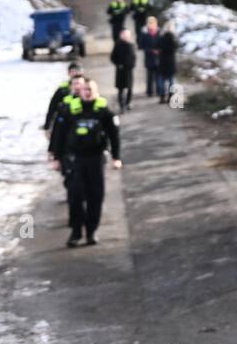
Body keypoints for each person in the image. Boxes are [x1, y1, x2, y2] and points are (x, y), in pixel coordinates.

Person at [49, 77, 121, 247]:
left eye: (91, 90)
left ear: (96, 92)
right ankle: (76, 232)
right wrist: (56, 157)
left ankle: (91, 231)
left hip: (96, 159)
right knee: (75, 196)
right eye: (85, 89)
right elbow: (59, 135)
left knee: (95, 196)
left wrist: (116, 157)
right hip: (75, 160)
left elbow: (114, 135)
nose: (87, 93)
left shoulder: (103, 111)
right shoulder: (69, 110)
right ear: (79, 91)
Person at [110, 29, 136, 112]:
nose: (126, 37)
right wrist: (118, 64)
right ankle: (121, 105)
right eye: (124, 35)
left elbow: (134, 57)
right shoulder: (117, 45)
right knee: (121, 89)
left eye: (127, 35)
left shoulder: (131, 45)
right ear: (121, 36)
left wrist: (132, 65)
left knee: (130, 88)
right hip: (120, 71)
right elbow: (112, 57)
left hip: (129, 70)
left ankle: (128, 103)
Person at [137, 16, 161, 98]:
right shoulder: (144, 34)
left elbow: (163, 43)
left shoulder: (160, 32)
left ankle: (159, 91)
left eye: (153, 23)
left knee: (158, 76)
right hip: (149, 58)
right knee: (150, 76)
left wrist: (159, 50)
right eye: (150, 23)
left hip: (158, 58)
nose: (151, 25)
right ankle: (149, 92)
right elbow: (141, 46)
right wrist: (150, 50)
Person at [156, 19, 177, 104]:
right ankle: (170, 96)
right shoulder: (173, 38)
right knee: (171, 79)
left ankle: (162, 97)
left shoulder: (161, 37)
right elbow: (175, 47)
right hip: (171, 61)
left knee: (162, 80)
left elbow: (157, 46)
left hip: (162, 61)